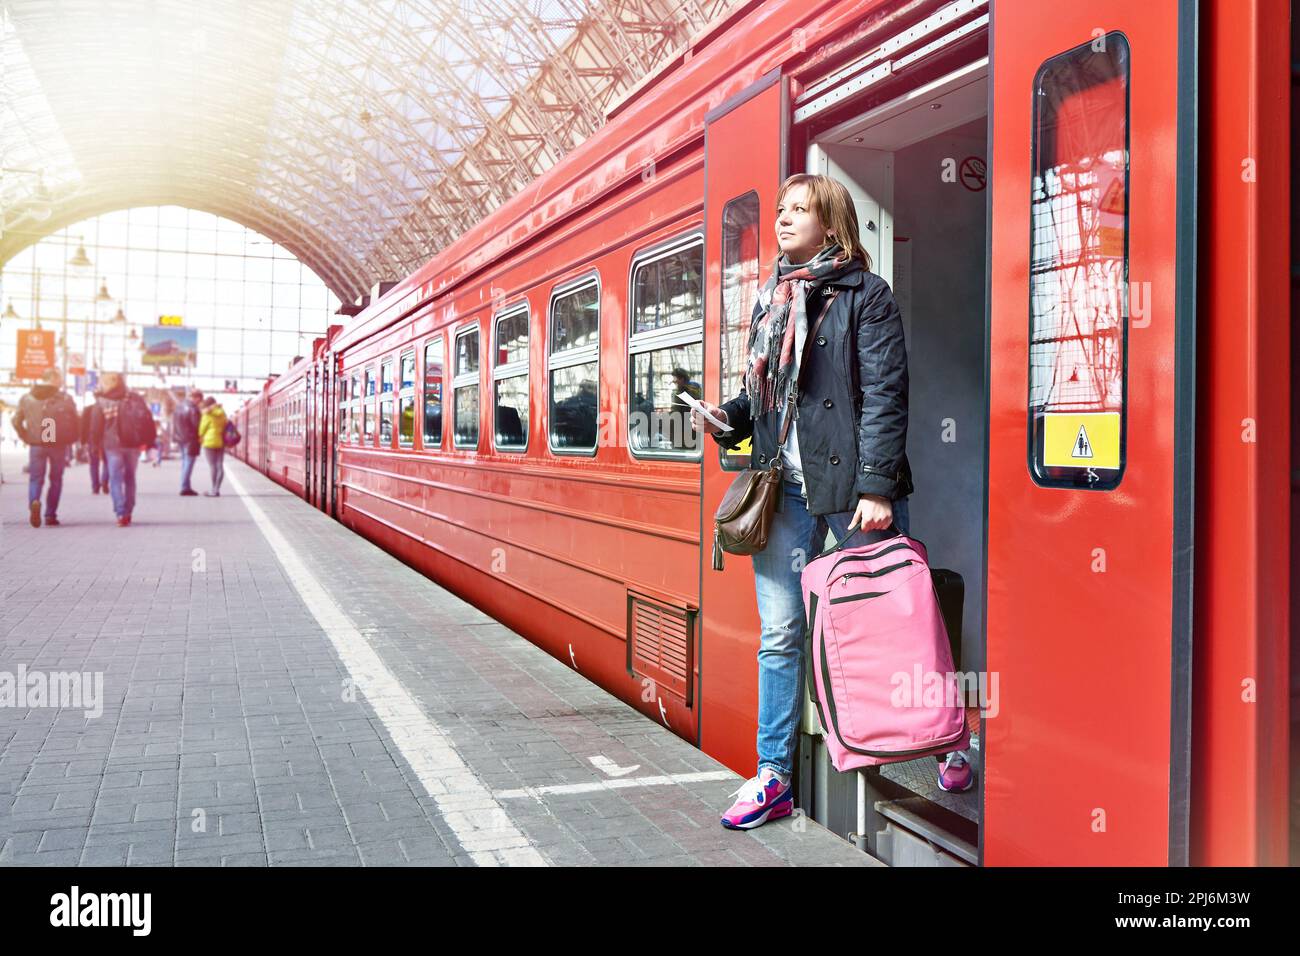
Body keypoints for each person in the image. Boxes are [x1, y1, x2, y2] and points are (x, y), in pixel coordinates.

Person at [691, 173, 972, 831]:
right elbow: (765, 400)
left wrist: (877, 487)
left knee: (899, 621)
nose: (784, 219)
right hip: (783, 491)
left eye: (799, 209)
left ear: (832, 221)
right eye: (782, 209)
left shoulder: (867, 297)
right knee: (782, 635)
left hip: (851, 491)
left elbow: (884, 395)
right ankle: (773, 778)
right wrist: (726, 418)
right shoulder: (771, 298)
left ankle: (949, 737)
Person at [13, 368, 74, 527]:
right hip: (57, 444)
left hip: (37, 444)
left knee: (35, 479)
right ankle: (50, 515)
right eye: (59, 378)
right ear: (53, 379)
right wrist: (71, 438)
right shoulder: (64, 398)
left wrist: (26, 436)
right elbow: (75, 420)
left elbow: (16, 420)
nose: (61, 382)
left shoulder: (27, 398)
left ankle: (34, 502)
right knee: (55, 479)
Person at [89, 372, 143, 527]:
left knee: (115, 479)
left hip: (112, 446)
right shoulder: (134, 398)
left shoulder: (101, 402)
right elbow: (145, 419)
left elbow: (95, 428)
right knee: (130, 478)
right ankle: (129, 510)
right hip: (132, 444)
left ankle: (121, 513)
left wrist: (93, 446)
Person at [173, 390, 202, 495]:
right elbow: (197, 425)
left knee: (185, 462)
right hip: (190, 439)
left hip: (180, 438)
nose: (199, 403)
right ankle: (185, 487)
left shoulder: (179, 406)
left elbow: (174, 424)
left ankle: (186, 486)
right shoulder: (193, 408)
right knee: (189, 463)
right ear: (197, 398)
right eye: (199, 400)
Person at [198, 396, 227, 496]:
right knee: (220, 466)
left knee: (212, 466)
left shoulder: (207, 414)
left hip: (209, 442)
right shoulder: (222, 413)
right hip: (220, 441)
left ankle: (213, 489)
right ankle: (217, 489)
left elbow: (202, 429)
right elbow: (225, 425)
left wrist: (200, 436)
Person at [80, 399, 108, 495]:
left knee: (93, 464)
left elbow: (83, 426)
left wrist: (83, 441)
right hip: (105, 439)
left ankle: (95, 487)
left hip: (91, 439)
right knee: (107, 461)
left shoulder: (88, 409)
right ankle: (105, 481)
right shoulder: (108, 409)